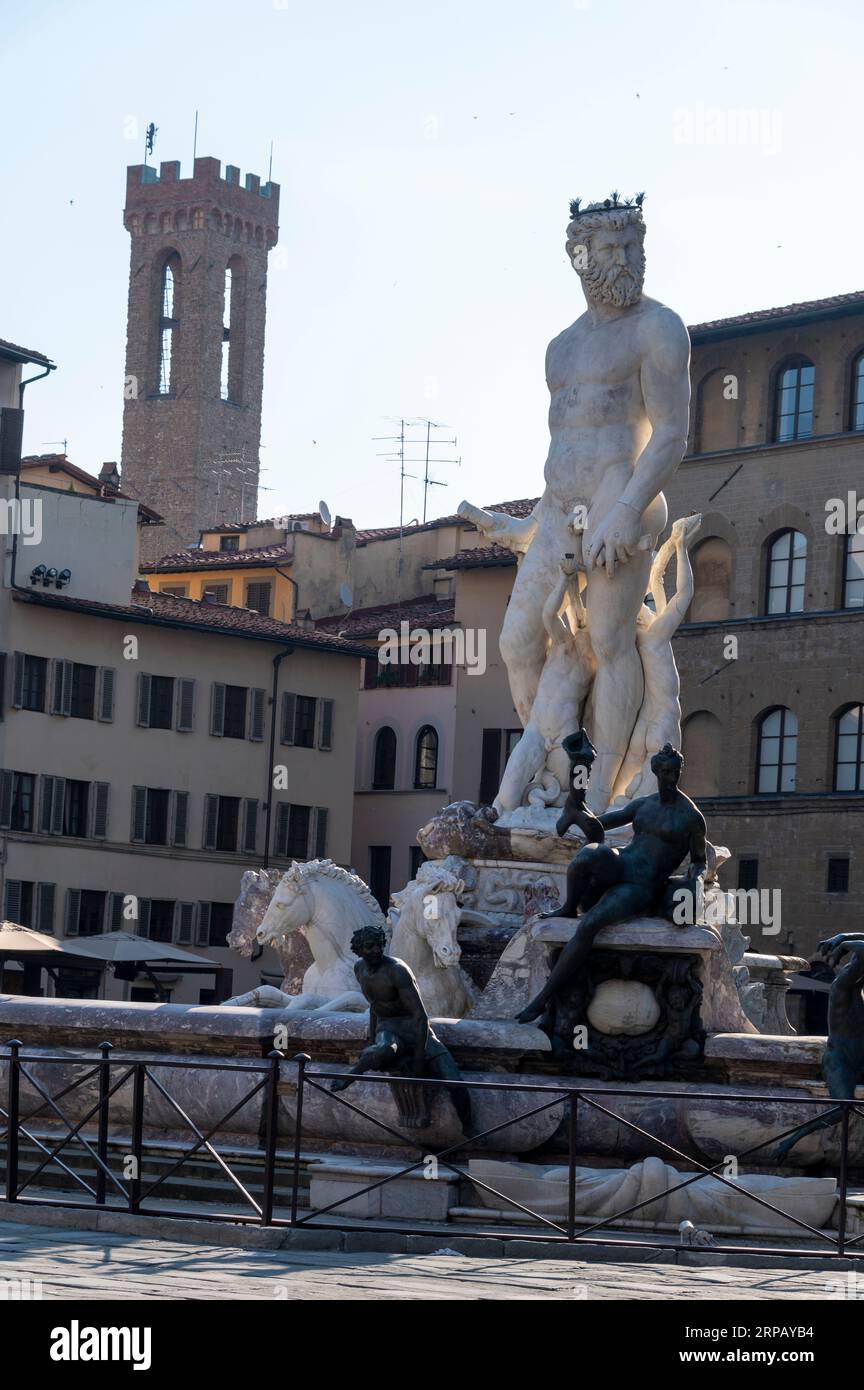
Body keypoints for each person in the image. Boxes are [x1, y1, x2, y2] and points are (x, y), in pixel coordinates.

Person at [461, 193, 691, 811]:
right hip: (561, 508)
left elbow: (670, 433)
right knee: (516, 642)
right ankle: (555, 767)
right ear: (579, 256)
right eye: (612, 247)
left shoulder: (658, 328)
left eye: (633, 245)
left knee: (612, 643)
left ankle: (598, 799)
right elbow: (566, 446)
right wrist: (529, 524)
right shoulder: (559, 349)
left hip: (624, 496)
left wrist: (624, 512)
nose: (626, 259)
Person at [516, 744, 706, 1024]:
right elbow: (600, 826)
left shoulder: (690, 817)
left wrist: (696, 880)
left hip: (641, 886)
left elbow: (699, 860)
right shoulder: (645, 804)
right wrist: (579, 808)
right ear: (656, 772)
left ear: (680, 772)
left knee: (590, 924)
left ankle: (543, 999)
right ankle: (568, 907)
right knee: (589, 855)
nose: (670, 777)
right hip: (623, 862)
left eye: (675, 772)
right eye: (665, 771)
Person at [330, 924, 475, 1137]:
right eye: (370, 947)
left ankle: (468, 1126)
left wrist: (418, 1059)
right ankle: (351, 1075)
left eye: (380, 945)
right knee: (382, 1049)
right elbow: (375, 1007)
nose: (377, 950)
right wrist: (371, 1039)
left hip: (413, 1027)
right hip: (388, 1027)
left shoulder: (397, 970)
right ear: (359, 950)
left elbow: (420, 1016)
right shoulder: (359, 969)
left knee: (454, 1082)